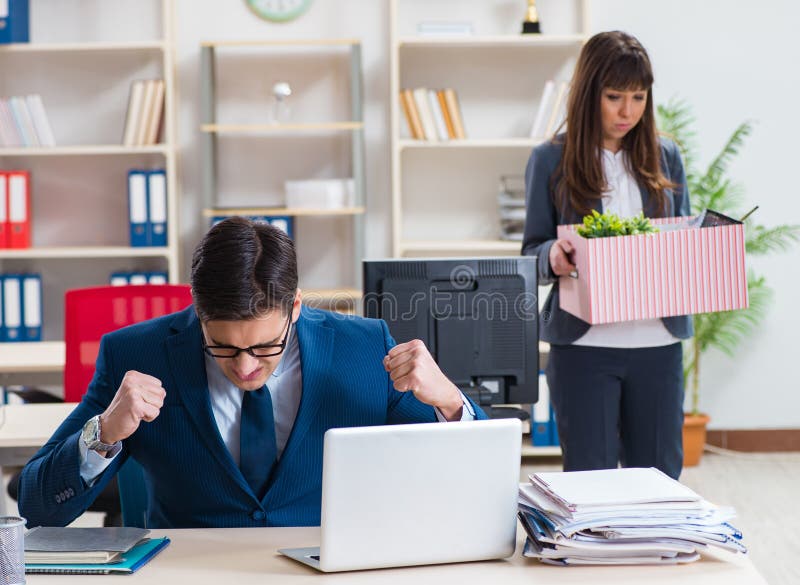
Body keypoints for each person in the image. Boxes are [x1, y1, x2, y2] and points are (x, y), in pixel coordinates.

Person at [19, 217, 487, 528]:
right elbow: (35, 504)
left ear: (296, 308)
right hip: (190, 574)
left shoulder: (363, 348)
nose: (244, 367)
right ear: (197, 311)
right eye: (221, 346)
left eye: (265, 347)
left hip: (324, 568)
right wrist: (103, 433)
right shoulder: (136, 355)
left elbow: (478, 483)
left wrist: (449, 401)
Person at [522, 31, 691, 480]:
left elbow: (683, 237)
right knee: (590, 482)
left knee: (660, 482)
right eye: (614, 96)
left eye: (638, 97)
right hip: (584, 347)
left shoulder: (666, 156)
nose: (627, 111)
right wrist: (552, 256)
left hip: (659, 345)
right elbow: (531, 251)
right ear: (588, 92)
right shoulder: (550, 160)